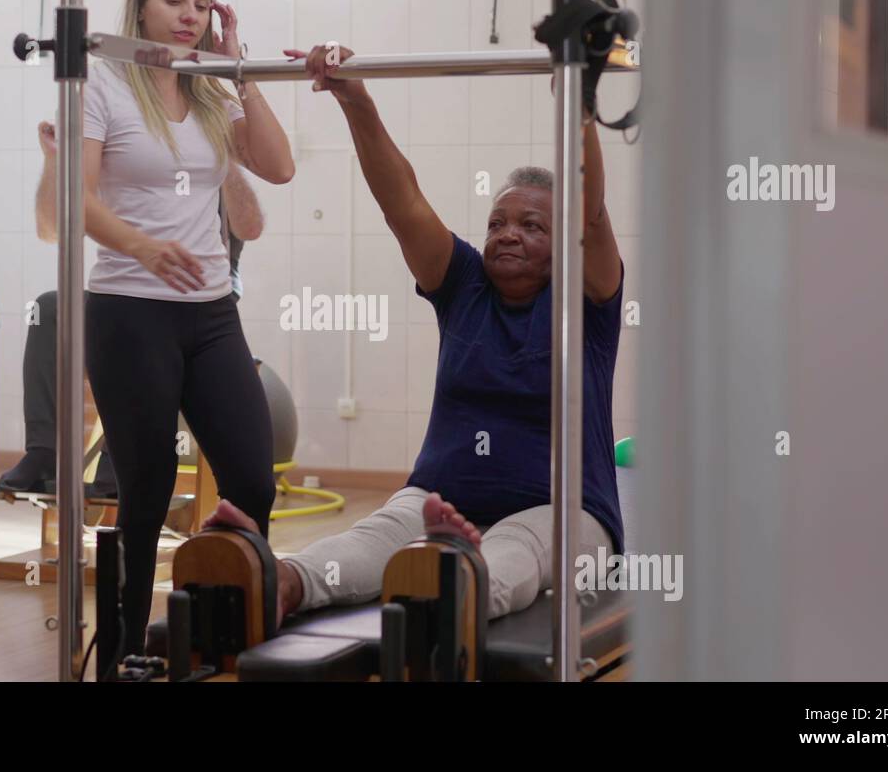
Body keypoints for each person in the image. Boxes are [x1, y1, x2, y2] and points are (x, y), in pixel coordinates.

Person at [207, 43, 625, 624]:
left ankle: (462, 581)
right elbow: (400, 200)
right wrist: (356, 102)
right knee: (371, 538)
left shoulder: (586, 302)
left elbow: (593, 214)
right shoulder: (464, 284)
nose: (507, 234)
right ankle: (279, 581)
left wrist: (577, 111)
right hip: (442, 497)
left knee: (520, 550)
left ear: (565, 246)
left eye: (532, 225)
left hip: (564, 509)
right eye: (497, 222)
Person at [33, 0, 294, 648]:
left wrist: (239, 69)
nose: (188, 15)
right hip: (129, 310)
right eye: (174, 0)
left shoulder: (210, 85)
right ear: (142, 7)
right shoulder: (102, 85)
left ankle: (228, 626)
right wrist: (143, 247)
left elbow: (279, 165)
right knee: (145, 493)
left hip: (210, 312)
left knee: (251, 480)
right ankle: (120, 648)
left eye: (202, 5)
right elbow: (75, 200)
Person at [0, 161, 267, 498]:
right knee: (48, 309)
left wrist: (224, 158)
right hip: (123, 293)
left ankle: (120, 461)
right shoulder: (129, 153)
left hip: (195, 299)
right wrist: (55, 160)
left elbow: (251, 224)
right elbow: (52, 229)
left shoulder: (205, 159)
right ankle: (44, 452)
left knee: (141, 319)